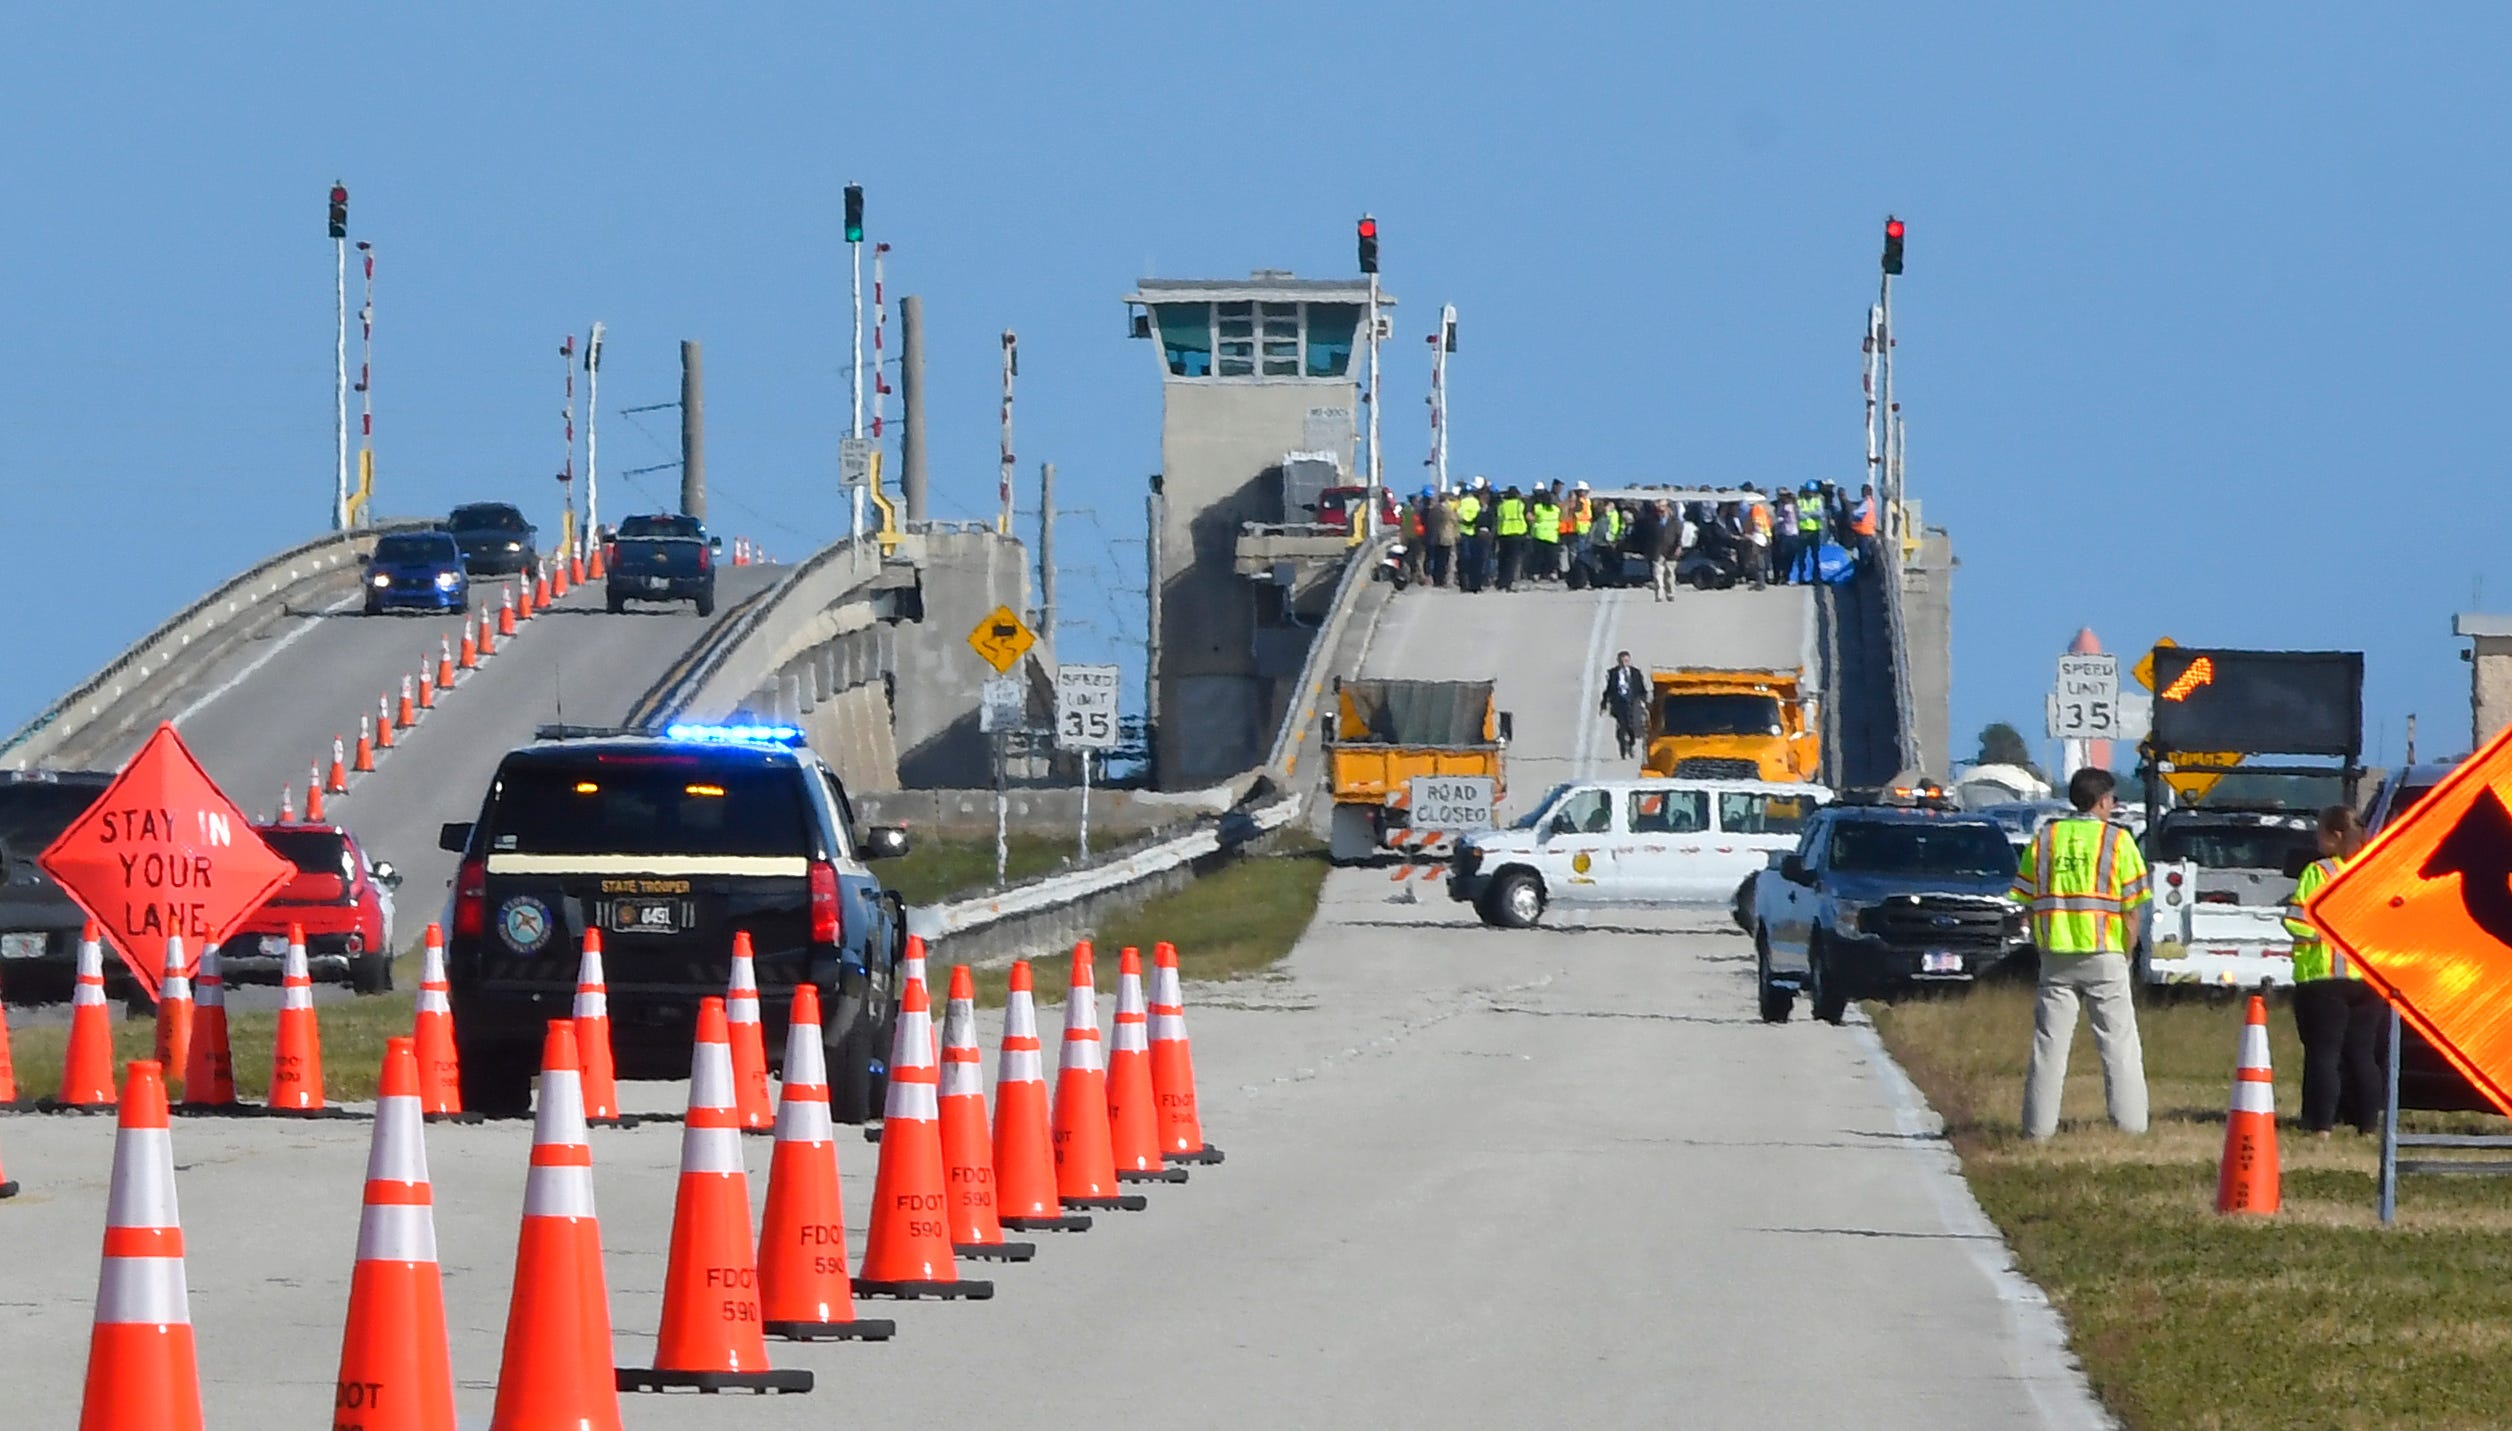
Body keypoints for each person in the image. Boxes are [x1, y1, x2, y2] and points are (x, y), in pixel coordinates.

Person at [2013, 768, 2151, 1139]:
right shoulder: (2118, 841)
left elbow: (2024, 900)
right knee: (2118, 1041)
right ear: (2103, 801)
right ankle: (2131, 1127)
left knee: (2049, 1046)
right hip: (2105, 950)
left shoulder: (2045, 839)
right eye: (2112, 800)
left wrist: (2041, 940)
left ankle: (2037, 1130)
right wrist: (2127, 951)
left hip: (2056, 953)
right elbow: (2132, 908)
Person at [2284, 805, 2386, 1135]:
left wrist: (2289, 923)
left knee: (2323, 1055)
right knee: (2363, 1055)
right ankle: (2368, 1126)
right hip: (2369, 982)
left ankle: (2321, 1127)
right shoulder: (2374, 871)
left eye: (2320, 833)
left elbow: (2300, 924)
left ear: (2336, 836)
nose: (2317, 840)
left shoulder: (2320, 872)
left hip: (2324, 978)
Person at [1600, 650, 1649, 761]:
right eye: (1622, 661)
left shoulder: (1635, 673)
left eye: (1626, 661)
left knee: (1631, 726)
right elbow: (1608, 690)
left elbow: (1641, 689)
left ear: (1629, 661)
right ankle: (1622, 750)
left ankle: (1631, 743)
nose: (1624, 663)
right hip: (1619, 703)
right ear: (1618, 661)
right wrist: (1604, 704)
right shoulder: (1613, 673)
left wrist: (1644, 701)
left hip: (1632, 703)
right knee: (1622, 726)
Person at [1494, 485, 1528, 591]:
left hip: (1504, 534)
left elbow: (1498, 518)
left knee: (1503, 560)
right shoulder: (1520, 504)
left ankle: (1501, 582)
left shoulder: (1501, 505)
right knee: (1512, 561)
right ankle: (1508, 583)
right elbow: (1527, 516)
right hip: (1517, 534)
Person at [1649, 499, 1682, 601]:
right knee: (1657, 573)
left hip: (1671, 549)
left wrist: (1679, 547)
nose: (1660, 511)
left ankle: (1670, 593)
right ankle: (1659, 594)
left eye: (1662, 508)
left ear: (1668, 508)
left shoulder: (1675, 521)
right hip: (1657, 549)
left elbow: (1679, 536)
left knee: (1669, 573)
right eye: (1658, 509)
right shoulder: (1653, 520)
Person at [1427, 491, 1460, 589]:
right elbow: (1456, 520)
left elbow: (1429, 522)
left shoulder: (1433, 510)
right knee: (1445, 560)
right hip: (1446, 537)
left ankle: (1437, 579)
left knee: (1437, 559)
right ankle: (1443, 580)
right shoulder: (1448, 510)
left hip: (1435, 537)